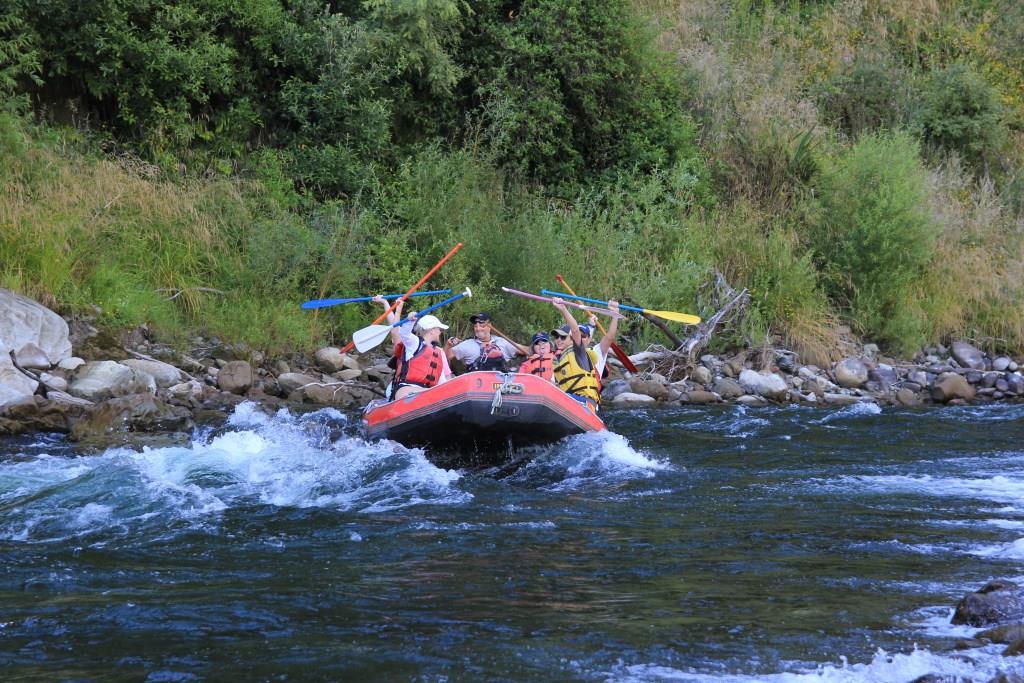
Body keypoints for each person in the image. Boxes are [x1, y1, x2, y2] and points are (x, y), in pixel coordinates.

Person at [373, 295, 453, 400]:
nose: (441, 332)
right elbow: (401, 333)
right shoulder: (415, 343)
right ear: (432, 330)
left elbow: (444, 380)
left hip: (427, 391)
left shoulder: (439, 352)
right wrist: (409, 320)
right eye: (440, 329)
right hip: (408, 389)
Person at [549, 298, 602, 411]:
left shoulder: (578, 351)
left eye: (563, 337)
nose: (559, 340)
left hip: (585, 403)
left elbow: (575, 329)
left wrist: (563, 308)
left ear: (571, 338)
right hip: (570, 402)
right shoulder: (558, 360)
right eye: (556, 337)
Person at [446, 312, 527, 373]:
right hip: (477, 389)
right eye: (475, 326)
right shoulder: (467, 344)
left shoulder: (502, 342)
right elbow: (447, 356)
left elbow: (525, 350)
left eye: (482, 325)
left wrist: (536, 348)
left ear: (490, 326)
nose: (478, 329)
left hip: (501, 387)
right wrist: (448, 345)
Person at [580, 299, 620, 379]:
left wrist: (615, 315)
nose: (580, 338)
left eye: (583, 336)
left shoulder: (596, 351)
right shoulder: (567, 352)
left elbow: (610, 337)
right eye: (576, 335)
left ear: (589, 339)